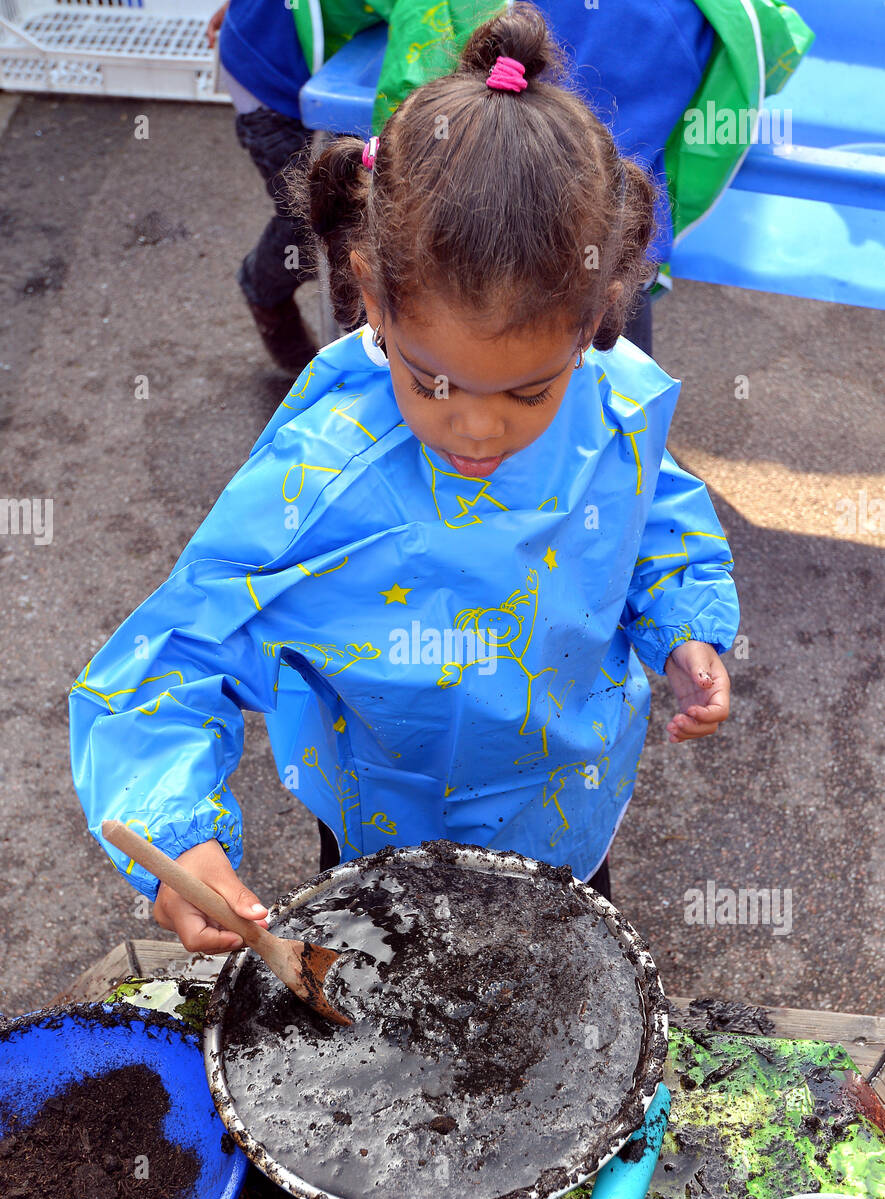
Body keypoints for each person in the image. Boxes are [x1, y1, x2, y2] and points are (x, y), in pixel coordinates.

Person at [70, 3, 739, 954]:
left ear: (598, 318)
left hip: (566, 813)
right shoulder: (323, 471)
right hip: (379, 822)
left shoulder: (616, 402)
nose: (473, 426)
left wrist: (683, 630)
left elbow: (661, 518)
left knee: (560, 978)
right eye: (431, 377)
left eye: (525, 391)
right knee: (381, 996)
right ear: (371, 295)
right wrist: (181, 838)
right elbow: (164, 668)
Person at [207, 0, 319, 375]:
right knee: (312, 217)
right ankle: (265, 291)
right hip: (270, 75)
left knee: (362, 214)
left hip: (353, 62)